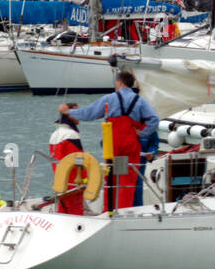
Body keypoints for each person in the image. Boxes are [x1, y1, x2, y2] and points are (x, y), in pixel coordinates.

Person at [59, 69, 160, 210]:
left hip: (113, 144)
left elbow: (89, 113)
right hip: (130, 144)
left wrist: (68, 111)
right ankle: (125, 209)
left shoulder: (110, 99)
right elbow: (154, 120)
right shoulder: (140, 100)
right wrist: (142, 133)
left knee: (112, 177)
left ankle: (110, 210)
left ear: (119, 82)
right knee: (128, 179)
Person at [48, 111, 88, 215]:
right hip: (74, 182)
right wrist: (85, 181)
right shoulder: (72, 135)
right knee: (75, 209)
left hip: (60, 181)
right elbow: (78, 160)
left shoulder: (54, 134)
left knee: (63, 207)